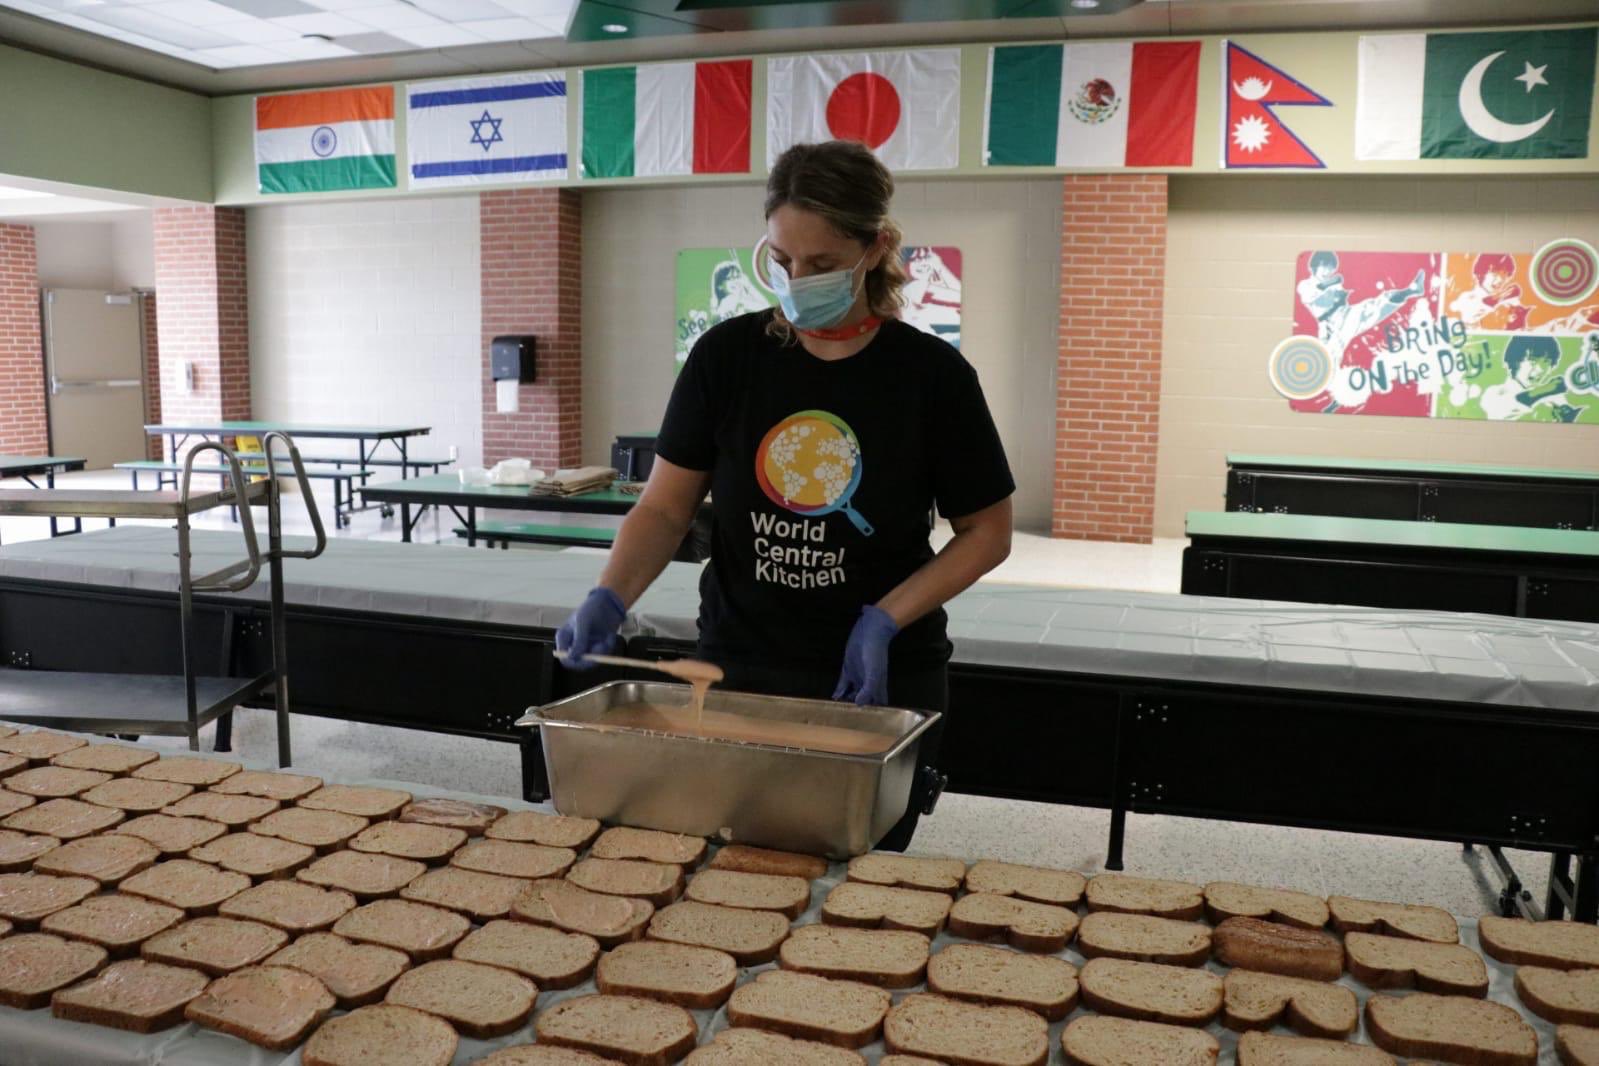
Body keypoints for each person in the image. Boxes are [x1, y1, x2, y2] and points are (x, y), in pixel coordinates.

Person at [556, 140, 1015, 850]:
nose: (797, 279)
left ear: (877, 247)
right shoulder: (728, 358)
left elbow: (987, 530)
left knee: (859, 886)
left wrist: (884, 620)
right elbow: (664, 508)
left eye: (822, 263)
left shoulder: (931, 377)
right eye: (782, 260)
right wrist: (610, 594)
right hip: (741, 662)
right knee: (730, 861)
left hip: (878, 677)